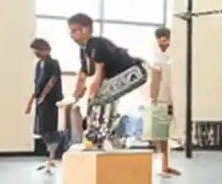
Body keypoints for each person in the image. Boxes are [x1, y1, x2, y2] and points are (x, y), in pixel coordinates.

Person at [63, 13, 148, 150]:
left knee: (101, 98)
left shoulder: (95, 43)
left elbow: (99, 72)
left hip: (134, 71)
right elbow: (84, 74)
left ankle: (102, 135)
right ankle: (106, 137)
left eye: (74, 31)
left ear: (84, 30)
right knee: (98, 99)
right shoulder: (84, 50)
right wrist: (77, 95)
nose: (71, 35)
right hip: (119, 76)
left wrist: (93, 92)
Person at [27, 39, 64, 173]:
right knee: (42, 129)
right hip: (41, 100)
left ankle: (52, 158)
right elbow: (38, 83)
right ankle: (50, 156)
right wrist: (33, 99)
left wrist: (43, 96)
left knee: (50, 128)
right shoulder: (38, 65)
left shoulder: (53, 63)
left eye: (38, 50)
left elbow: (52, 80)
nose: (36, 53)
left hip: (51, 100)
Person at [146, 27, 179, 177]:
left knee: (166, 132)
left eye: (165, 39)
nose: (163, 42)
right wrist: (153, 99)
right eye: (160, 39)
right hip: (159, 99)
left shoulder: (172, 55)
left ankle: (166, 164)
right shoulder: (154, 57)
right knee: (160, 133)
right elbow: (154, 79)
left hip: (171, 97)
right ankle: (163, 165)